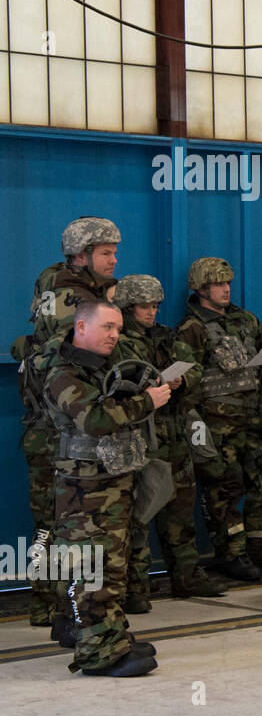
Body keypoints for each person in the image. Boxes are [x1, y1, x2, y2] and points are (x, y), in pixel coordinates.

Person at [45, 301, 169, 677]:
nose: (115, 335)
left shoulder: (99, 370)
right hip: (85, 490)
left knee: (112, 566)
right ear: (81, 327)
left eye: (117, 329)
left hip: (110, 483)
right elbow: (95, 419)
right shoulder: (64, 375)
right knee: (92, 568)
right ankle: (99, 654)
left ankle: (110, 636)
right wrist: (145, 401)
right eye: (107, 328)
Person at [12, 217, 120, 628]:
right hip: (54, 427)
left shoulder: (71, 285)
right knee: (57, 526)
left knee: (58, 525)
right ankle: (55, 608)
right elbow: (78, 348)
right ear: (81, 255)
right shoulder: (67, 292)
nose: (113, 260)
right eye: (105, 253)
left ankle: (60, 610)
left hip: (60, 425)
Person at [176, 257, 262, 580]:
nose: (226, 289)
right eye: (219, 284)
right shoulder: (192, 329)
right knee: (224, 490)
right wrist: (196, 428)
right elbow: (186, 381)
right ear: (202, 288)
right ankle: (230, 554)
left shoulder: (245, 319)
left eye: (228, 283)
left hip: (255, 420)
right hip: (219, 427)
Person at [113, 274, 224, 607]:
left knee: (181, 508)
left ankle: (186, 576)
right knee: (140, 511)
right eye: (145, 306)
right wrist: (155, 381)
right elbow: (122, 381)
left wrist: (177, 381)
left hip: (175, 433)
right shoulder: (118, 340)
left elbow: (194, 369)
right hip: (141, 437)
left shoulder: (166, 336)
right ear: (128, 306)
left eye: (156, 305)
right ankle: (135, 587)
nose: (152, 312)